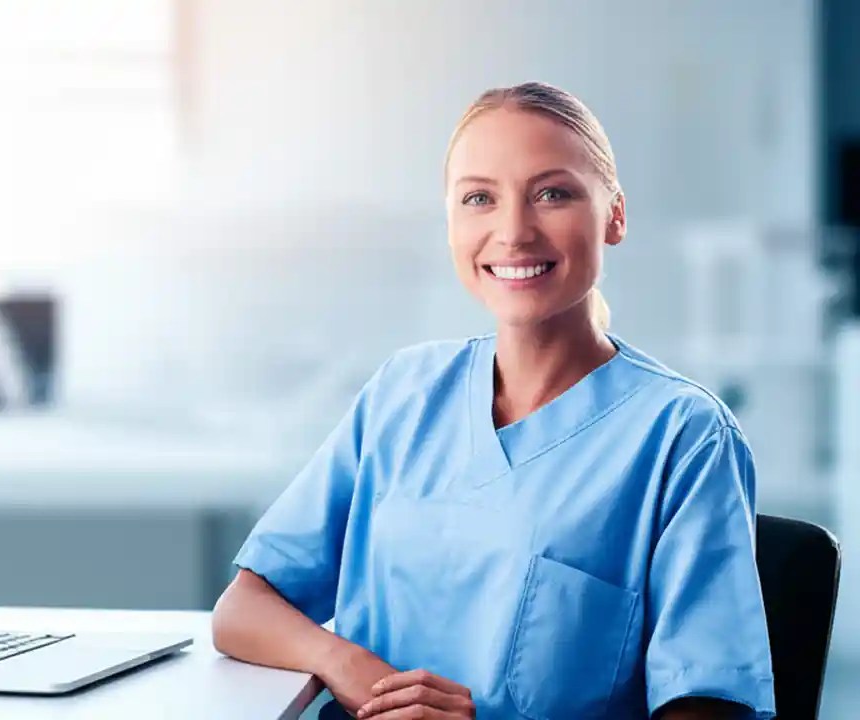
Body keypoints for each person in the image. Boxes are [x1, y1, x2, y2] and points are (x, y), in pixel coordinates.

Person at [211, 82, 775, 719]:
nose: (513, 232)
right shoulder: (404, 392)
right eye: (479, 198)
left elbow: (708, 704)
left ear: (615, 215)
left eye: (552, 194)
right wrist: (346, 664)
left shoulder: (683, 436)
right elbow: (243, 609)